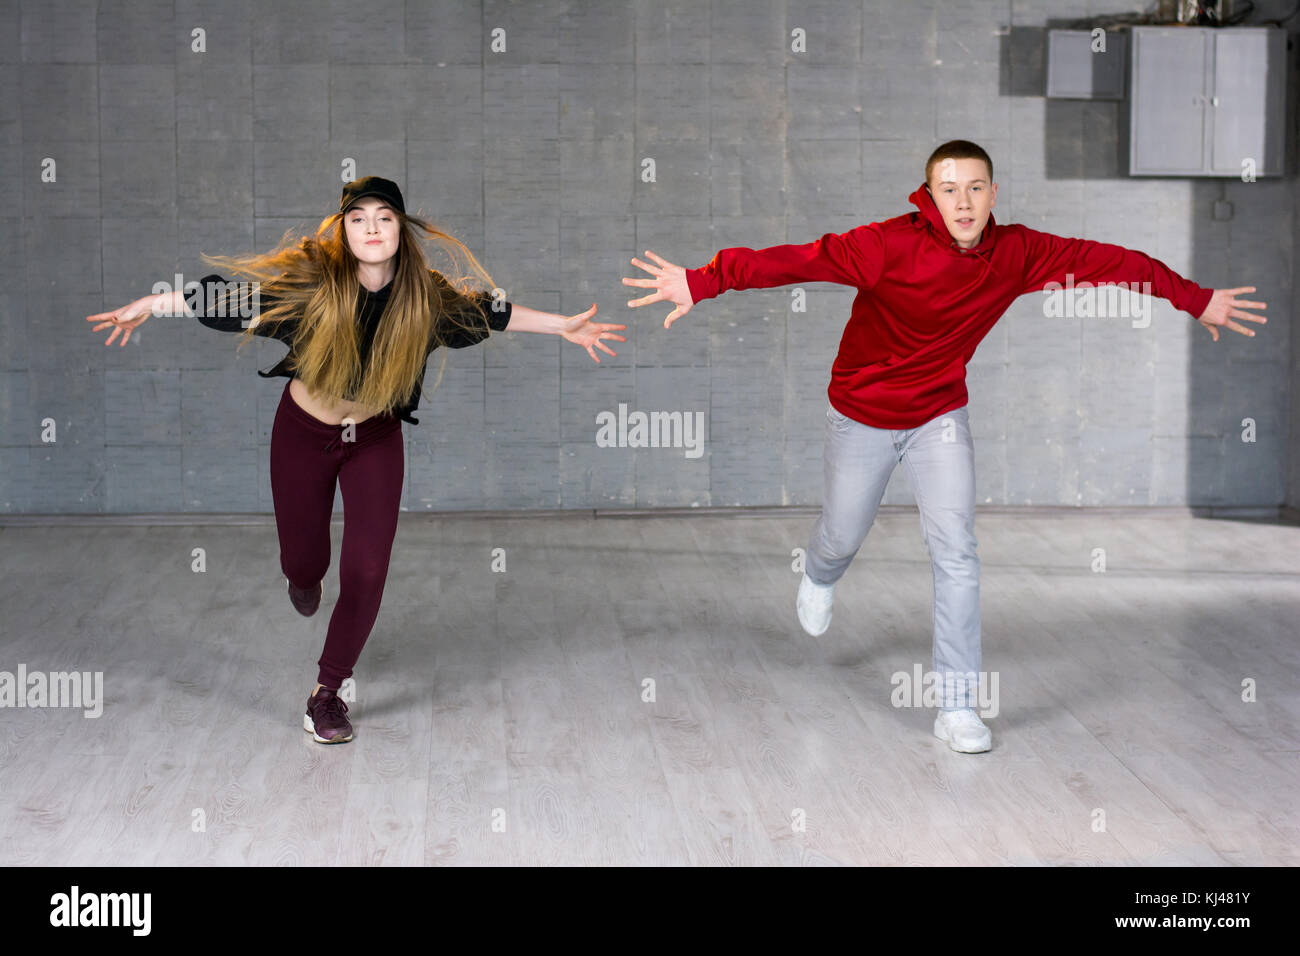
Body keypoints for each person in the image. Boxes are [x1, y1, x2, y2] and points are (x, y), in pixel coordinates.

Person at [622, 140, 1266, 754]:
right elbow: (795, 260)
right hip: (862, 414)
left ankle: (957, 706)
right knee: (843, 534)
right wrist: (704, 281)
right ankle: (819, 573)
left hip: (939, 418)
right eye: (949, 189)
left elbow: (1113, 261)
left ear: (992, 194)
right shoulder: (883, 246)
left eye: (975, 189)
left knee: (957, 551)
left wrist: (1197, 300)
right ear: (928, 195)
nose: (963, 202)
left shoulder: (1018, 253)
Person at [87, 176, 626, 744]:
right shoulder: (313, 288)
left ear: (400, 229)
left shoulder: (427, 298)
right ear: (343, 230)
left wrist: (563, 326)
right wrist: (155, 302)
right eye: (358, 217)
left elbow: (489, 312)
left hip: (374, 440)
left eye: (385, 217)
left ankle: (327, 693)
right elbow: (232, 298)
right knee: (304, 561)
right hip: (301, 435)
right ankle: (302, 578)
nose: (372, 227)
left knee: (367, 569)